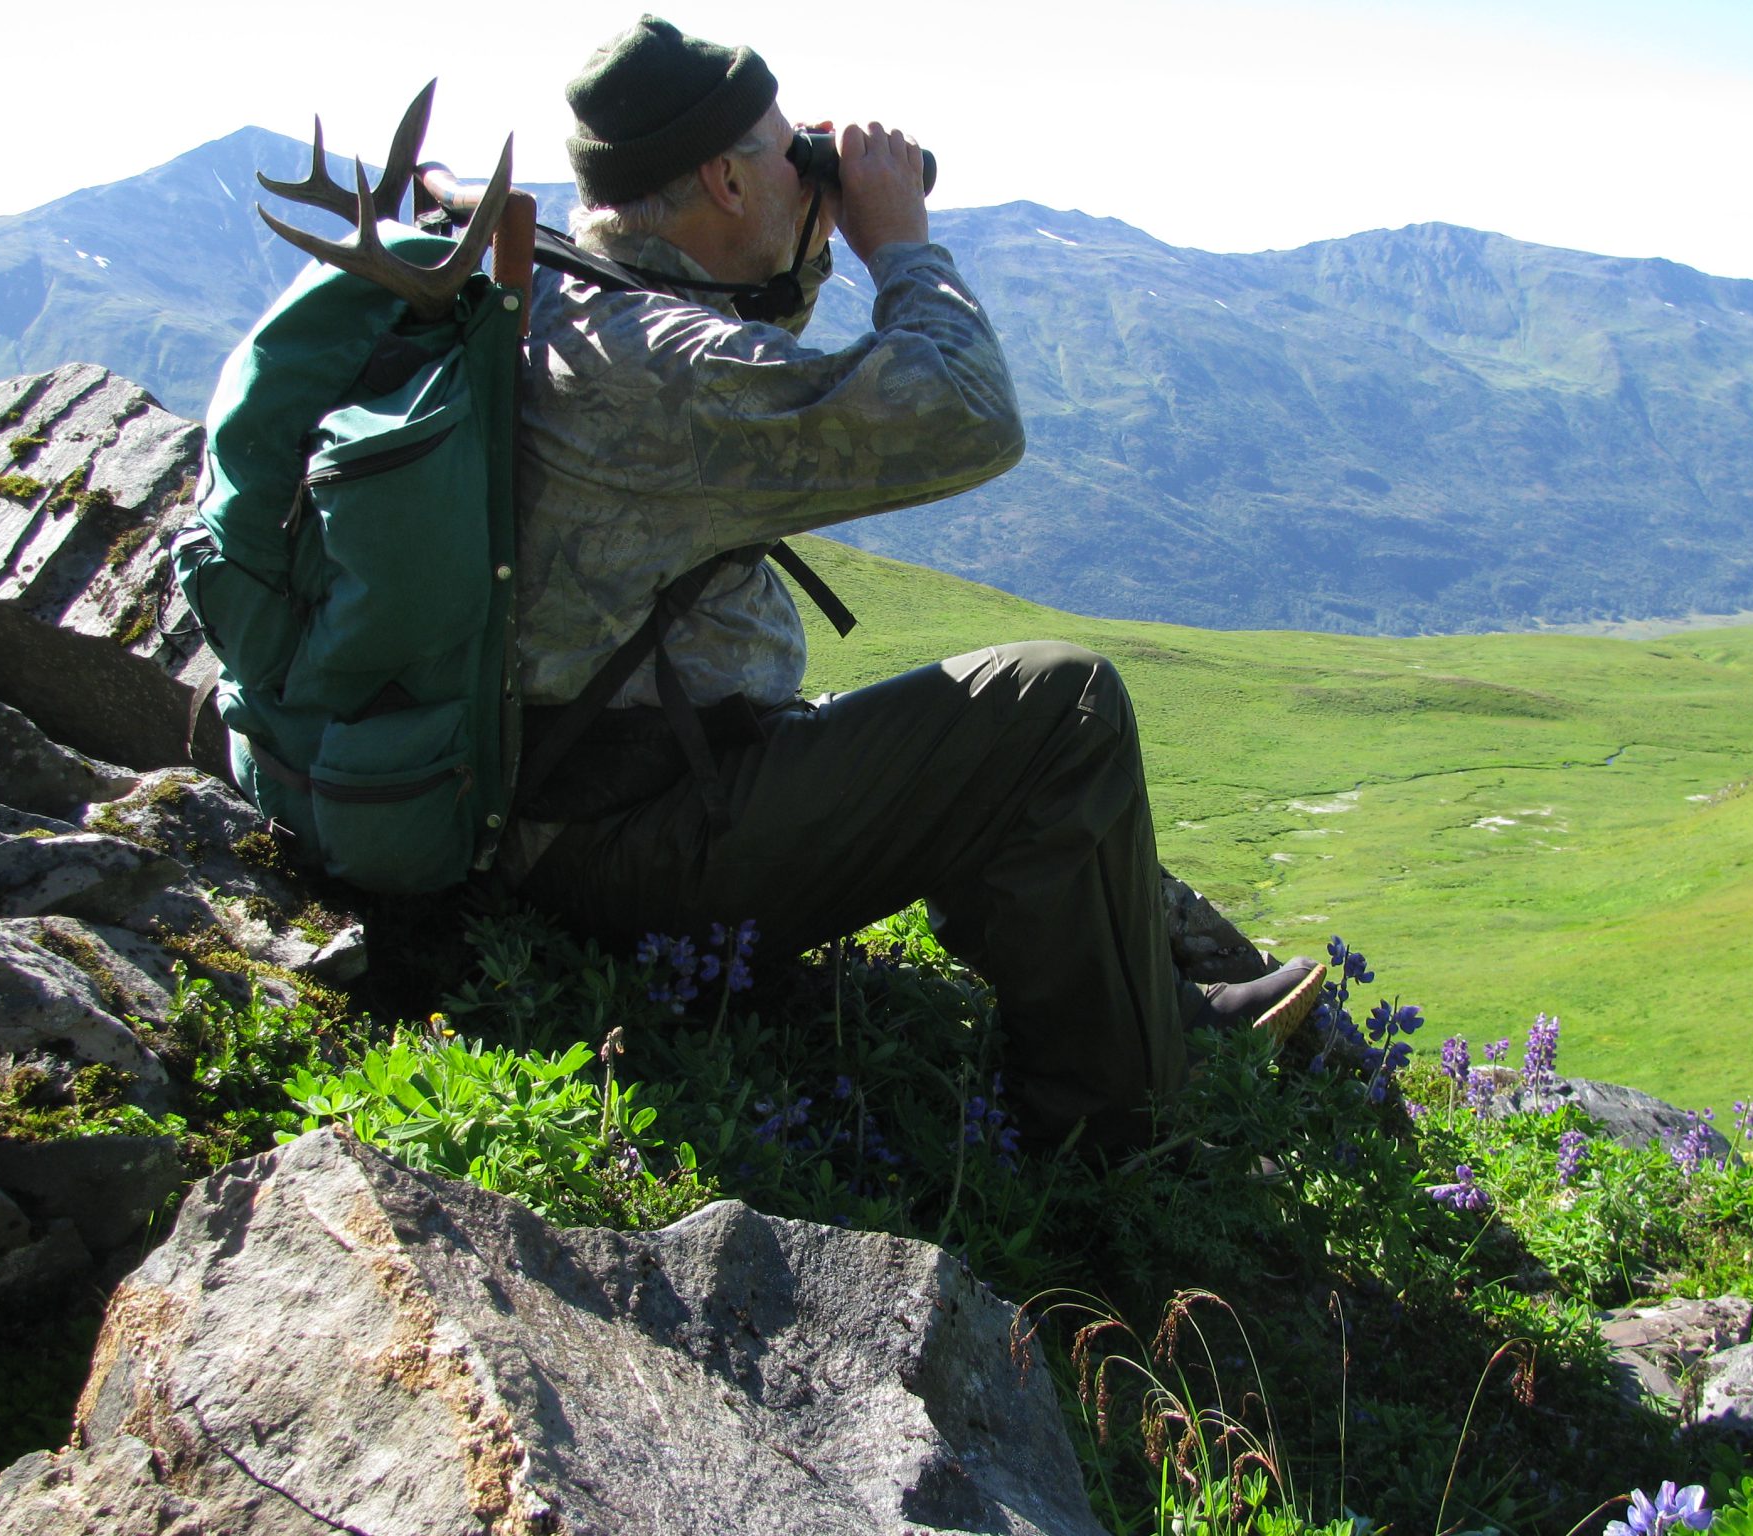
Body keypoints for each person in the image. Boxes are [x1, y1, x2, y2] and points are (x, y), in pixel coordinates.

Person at [503, 15, 1324, 1154]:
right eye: (785, 151)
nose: (812, 167)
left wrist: (791, 228)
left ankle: (1142, 1004)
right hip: (627, 851)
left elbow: (741, 359)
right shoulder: (668, 370)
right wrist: (900, 247)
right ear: (725, 180)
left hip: (562, 801)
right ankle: (1121, 1114)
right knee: (1057, 703)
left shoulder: (565, 296)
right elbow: (968, 417)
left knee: (968, 734)